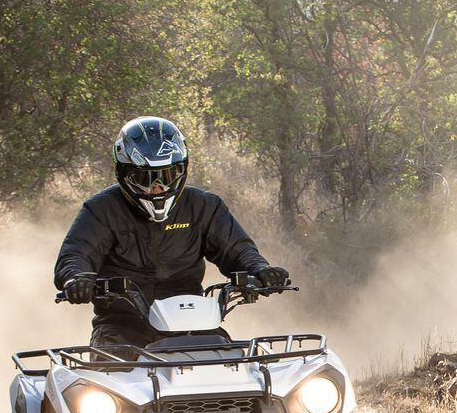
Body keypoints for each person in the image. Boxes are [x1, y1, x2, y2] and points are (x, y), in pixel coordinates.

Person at [54, 116, 290, 348]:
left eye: (166, 176)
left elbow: (237, 250)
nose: (157, 187)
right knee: (108, 374)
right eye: (145, 178)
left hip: (195, 323)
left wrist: (260, 269)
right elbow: (76, 255)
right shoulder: (101, 210)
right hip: (122, 327)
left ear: (182, 170)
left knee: (233, 367)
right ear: (124, 173)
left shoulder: (203, 206)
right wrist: (76, 278)